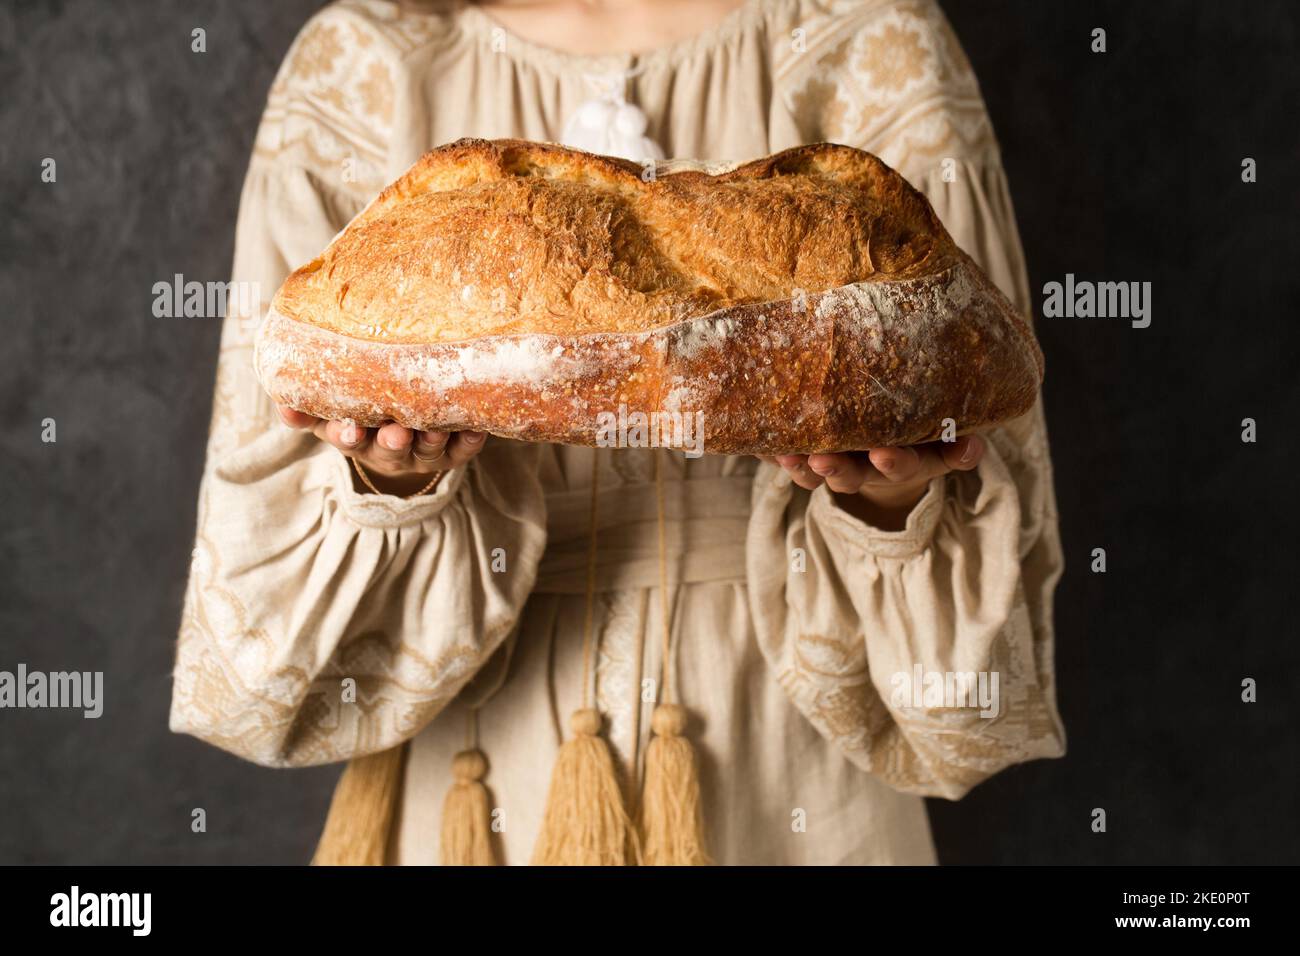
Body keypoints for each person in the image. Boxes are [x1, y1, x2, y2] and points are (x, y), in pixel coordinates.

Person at [170, 0, 1065, 865]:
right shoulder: (360, 61)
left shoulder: (871, 36)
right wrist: (393, 484)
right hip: (479, 763)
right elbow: (254, 614)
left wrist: (893, 495)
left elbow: (983, 433)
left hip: (779, 756)